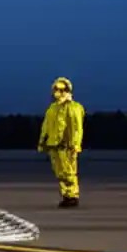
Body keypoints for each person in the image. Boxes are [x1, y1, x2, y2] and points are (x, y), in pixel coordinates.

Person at [38, 76, 84, 208]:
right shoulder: (52, 108)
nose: (58, 92)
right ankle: (66, 196)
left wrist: (75, 144)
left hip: (66, 146)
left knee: (68, 172)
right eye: (56, 89)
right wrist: (42, 142)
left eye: (61, 89)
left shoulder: (74, 107)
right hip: (54, 145)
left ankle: (73, 195)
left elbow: (77, 127)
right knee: (60, 172)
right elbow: (46, 126)